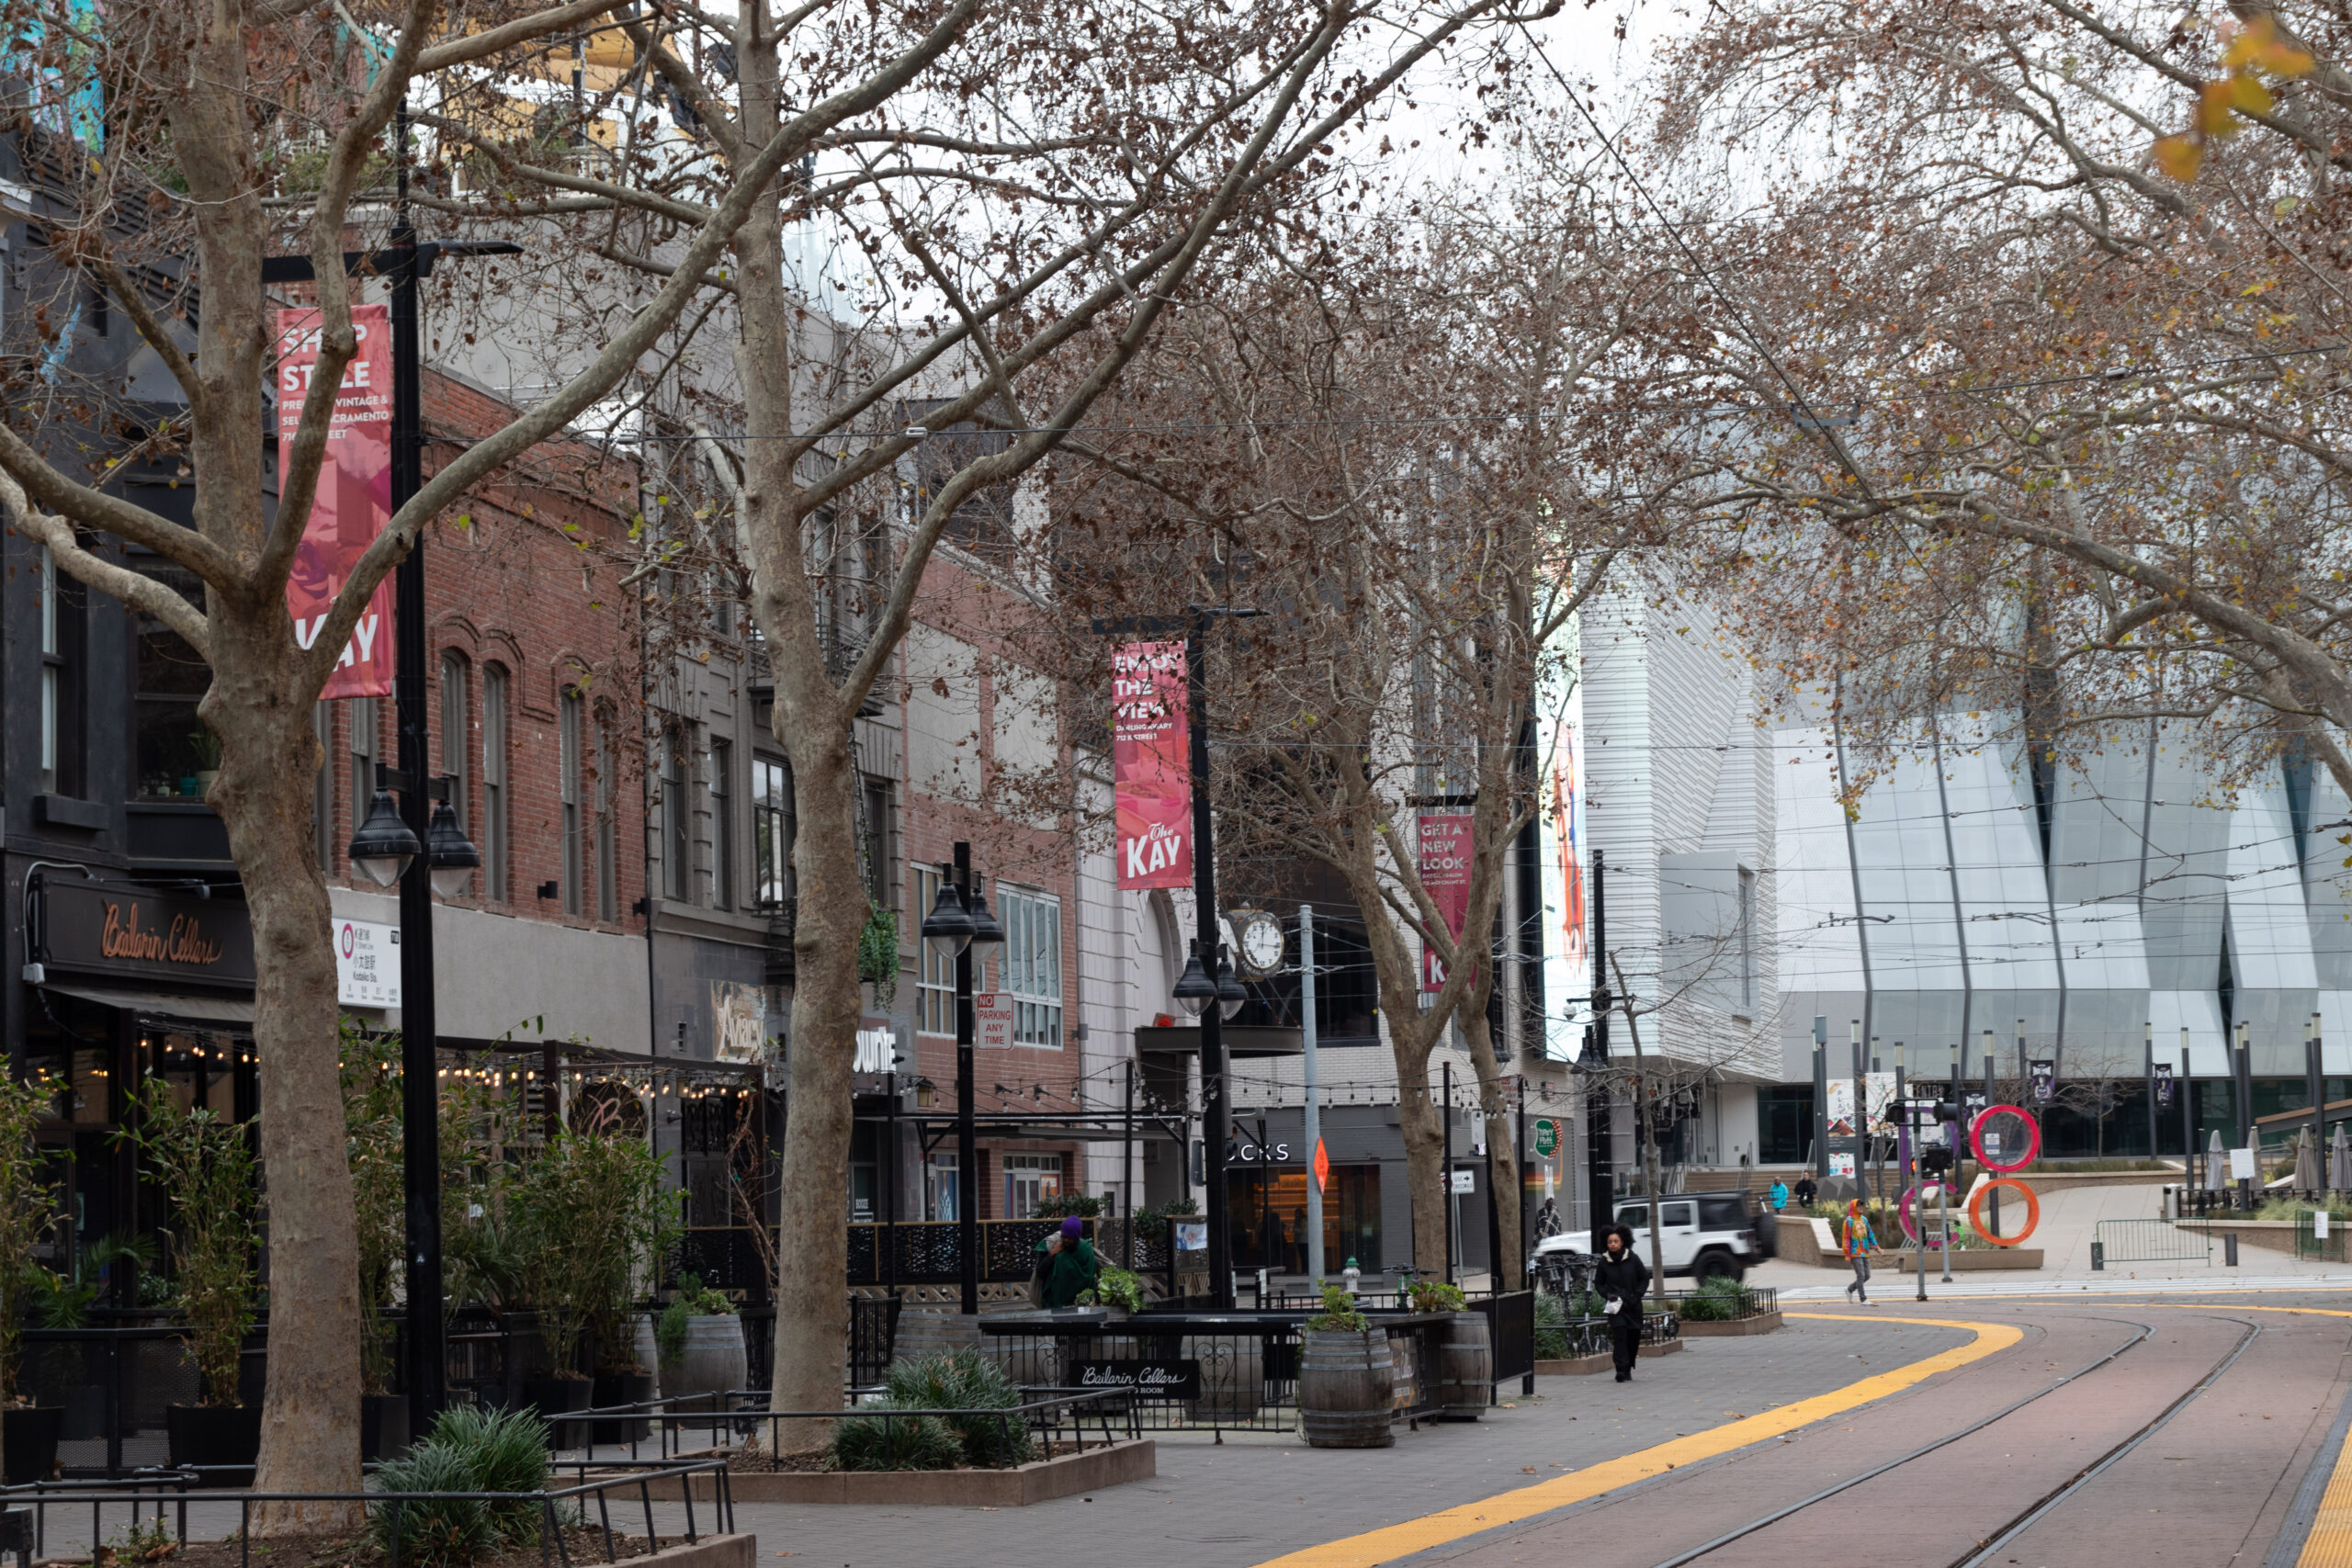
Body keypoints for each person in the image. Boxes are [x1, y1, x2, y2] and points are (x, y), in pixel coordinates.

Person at [1593, 1224, 1650, 1382]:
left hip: (1633, 1305)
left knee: (1633, 1337)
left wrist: (1637, 1295)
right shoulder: (1604, 1262)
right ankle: (1620, 1369)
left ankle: (1629, 1365)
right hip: (1614, 1306)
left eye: (1615, 1241)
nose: (1612, 1244)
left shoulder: (1633, 1258)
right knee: (1620, 1336)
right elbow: (1599, 1283)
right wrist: (1607, 1295)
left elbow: (1644, 1278)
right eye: (1610, 1241)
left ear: (1622, 1242)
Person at [1035, 1214, 1101, 1309]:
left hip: (1081, 1303)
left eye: (1070, 1238)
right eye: (1064, 1236)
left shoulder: (1085, 1250)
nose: (1065, 1240)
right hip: (1054, 1303)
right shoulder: (1053, 1246)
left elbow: (1089, 1277)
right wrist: (1051, 1256)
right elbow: (1040, 1272)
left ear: (1076, 1237)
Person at [1842, 1199, 1875, 1303]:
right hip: (1854, 1252)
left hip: (1864, 1251)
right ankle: (1863, 1299)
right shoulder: (1849, 1221)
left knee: (1867, 1276)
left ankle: (1850, 1289)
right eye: (1858, 1206)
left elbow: (1870, 1234)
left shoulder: (1864, 1220)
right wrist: (1847, 1254)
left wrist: (1876, 1246)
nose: (1861, 1207)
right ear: (1853, 1207)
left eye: (1861, 1205)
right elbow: (1846, 1238)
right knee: (1861, 1275)